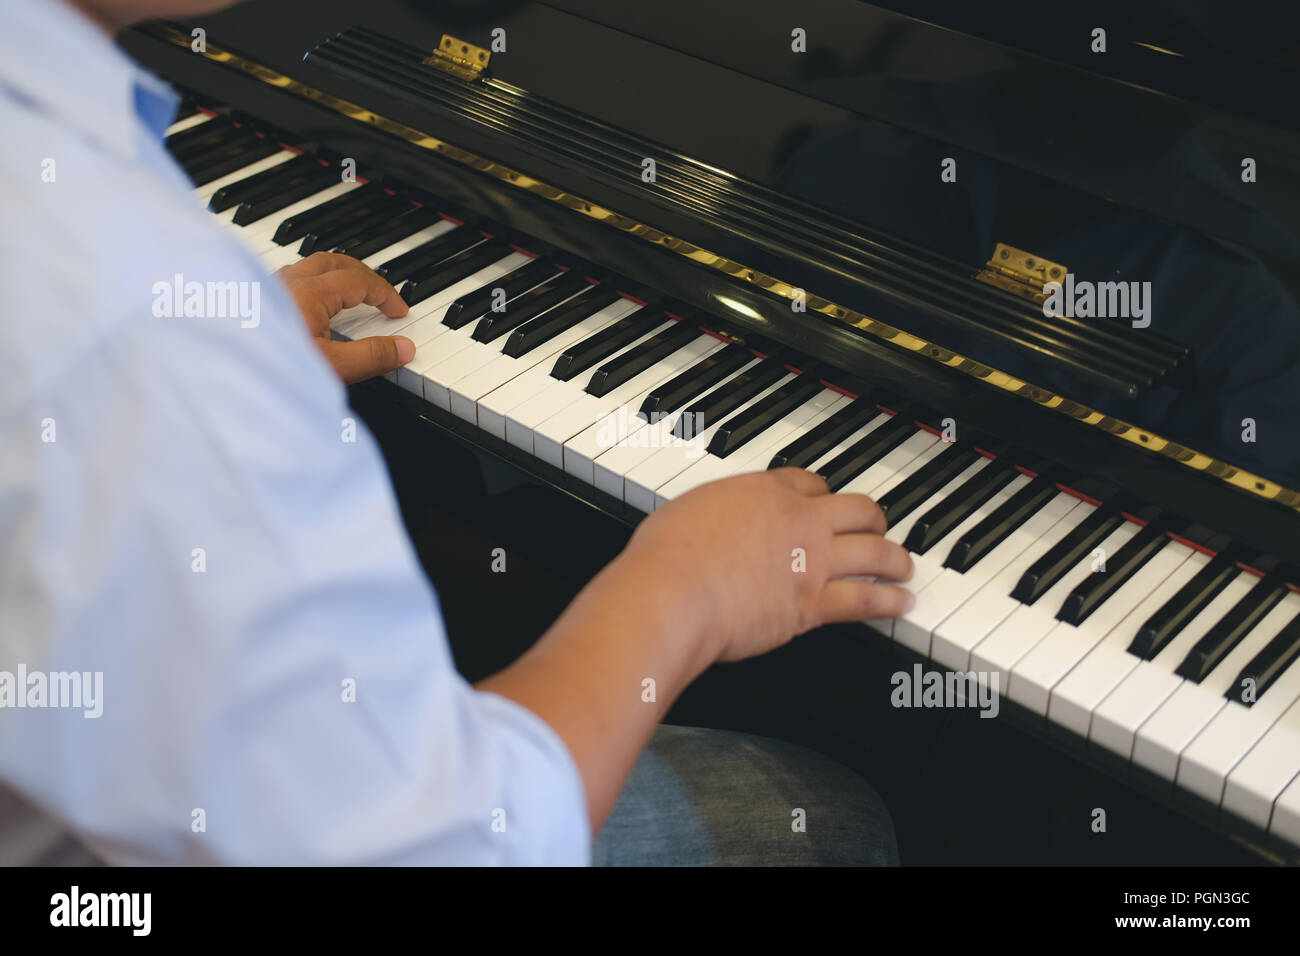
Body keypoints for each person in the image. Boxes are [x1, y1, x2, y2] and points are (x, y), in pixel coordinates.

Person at [0, 0, 913, 865]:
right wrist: (690, 585)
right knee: (817, 818)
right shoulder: (111, 299)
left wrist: (206, 382)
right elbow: (438, 845)